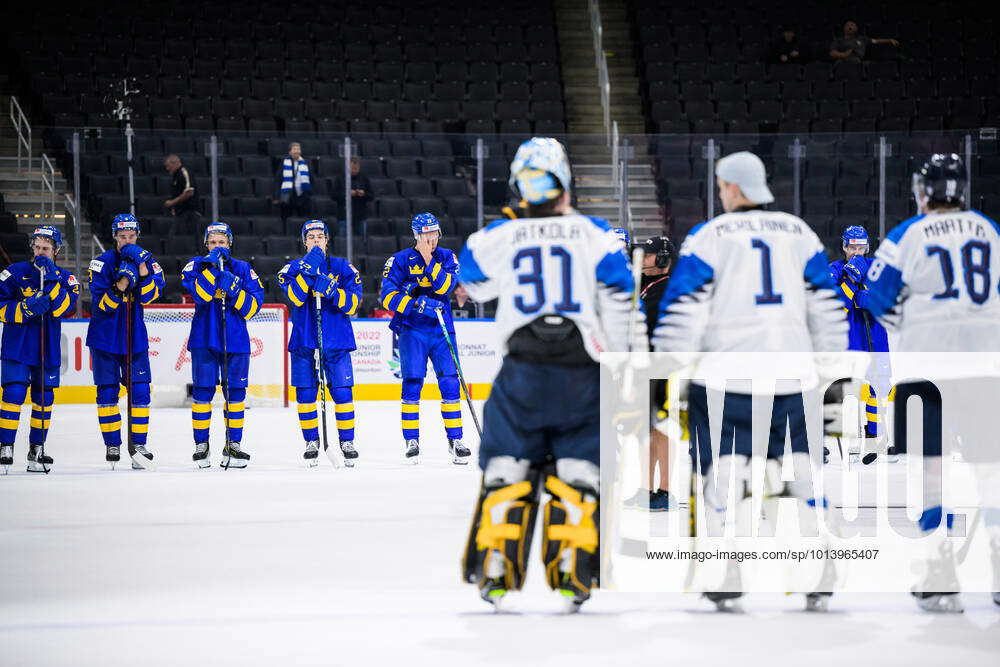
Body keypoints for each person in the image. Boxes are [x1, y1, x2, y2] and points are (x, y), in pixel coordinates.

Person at [652, 151, 848, 612]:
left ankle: (724, 570)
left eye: (722, 187)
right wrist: (833, 372)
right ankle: (816, 567)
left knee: (723, 477)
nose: (721, 194)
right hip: (793, 378)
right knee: (800, 471)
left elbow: (685, 309)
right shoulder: (799, 232)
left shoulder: (710, 236)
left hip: (724, 380)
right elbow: (826, 308)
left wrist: (665, 368)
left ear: (735, 189)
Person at [457, 137, 635, 611]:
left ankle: (495, 563)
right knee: (579, 469)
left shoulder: (500, 235)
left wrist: (513, 230)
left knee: (507, 466)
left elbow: (473, 282)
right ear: (565, 185)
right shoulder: (595, 233)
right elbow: (620, 299)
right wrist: (624, 365)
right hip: (583, 373)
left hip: (522, 372)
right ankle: (574, 567)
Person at [865, 154, 1000, 612]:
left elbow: (876, 298)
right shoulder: (988, 228)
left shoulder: (908, 234)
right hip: (986, 367)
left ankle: (940, 572)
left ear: (924, 192)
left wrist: (912, 323)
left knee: (930, 468)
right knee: (990, 469)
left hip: (926, 367)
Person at [379, 212, 469, 465]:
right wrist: (415, 304)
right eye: (426, 233)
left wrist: (429, 257)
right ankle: (411, 440)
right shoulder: (399, 260)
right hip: (412, 330)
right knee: (412, 383)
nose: (431, 238)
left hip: (442, 330)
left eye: (434, 233)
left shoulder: (447, 256)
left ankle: (456, 440)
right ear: (416, 235)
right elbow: (387, 296)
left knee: (450, 383)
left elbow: (444, 287)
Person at [277, 220, 363, 466]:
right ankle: (311, 441)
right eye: (311, 237)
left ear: (327, 240)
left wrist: (334, 293)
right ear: (304, 242)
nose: (316, 240)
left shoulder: (342, 267)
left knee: (342, 393)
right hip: (305, 339)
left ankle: (347, 441)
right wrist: (307, 274)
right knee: (305, 394)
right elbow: (294, 297)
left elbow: (354, 304)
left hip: (336, 340)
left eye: (320, 236)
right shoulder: (291, 268)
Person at [181, 222, 265, 469]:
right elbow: (200, 295)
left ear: (230, 243)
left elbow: (251, 308)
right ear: (206, 244)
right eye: (213, 243)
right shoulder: (195, 265)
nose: (218, 247)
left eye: (222, 242)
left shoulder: (243, 269)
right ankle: (201, 446)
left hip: (236, 340)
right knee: (202, 393)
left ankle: (233, 445)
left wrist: (234, 289)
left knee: (236, 395)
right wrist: (212, 272)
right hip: (204, 337)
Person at [86, 214, 166, 469]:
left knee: (141, 392)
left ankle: (139, 444)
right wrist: (121, 283)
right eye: (122, 237)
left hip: (135, 338)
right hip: (105, 337)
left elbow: (151, 296)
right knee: (107, 392)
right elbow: (103, 305)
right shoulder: (99, 263)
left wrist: (141, 272)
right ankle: (112, 443)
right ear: (114, 237)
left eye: (132, 237)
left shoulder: (148, 261)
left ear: (137, 236)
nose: (127, 241)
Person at [0, 226, 80, 473]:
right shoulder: (13, 273)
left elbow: (62, 307)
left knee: (44, 399)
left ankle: (37, 448)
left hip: (47, 348)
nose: (40, 252)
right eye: (37, 247)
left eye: (46, 248)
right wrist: (24, 309)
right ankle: (6, 446)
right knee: (13, 395)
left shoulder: (66, 279)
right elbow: (0, 306)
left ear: (56, 250)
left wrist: (52, 277)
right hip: (18, 345)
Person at [623, 236, 676, 511]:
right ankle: (646, 488)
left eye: (648, 255)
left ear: (663, 258)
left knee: (662, 429)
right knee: (646, 430)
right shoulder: (643, 285)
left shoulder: (668, 289)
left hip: (664, 367)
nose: (641, 259)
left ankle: (664, 490)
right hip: (645, 367)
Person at [828, 225, 890, 444]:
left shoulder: (877, 269)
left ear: (867, 247)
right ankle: (843, 436)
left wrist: (871, 300)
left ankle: (874, 435)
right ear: (844, 247)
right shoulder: (835, 270)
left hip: (875, 335)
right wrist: (851, 282)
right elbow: (836, 307)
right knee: (843, 385)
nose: (856, 253)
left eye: (861, 248)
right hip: (849, 337)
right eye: (852, 248)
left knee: (878, 385)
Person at [274, 142, 312, 223]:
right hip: (288, 194)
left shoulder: (306, 162)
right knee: (286, 218)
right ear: (290, 152)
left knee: (303, 219)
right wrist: (277, 196)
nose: (296, 151)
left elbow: (312, 178)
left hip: (301, 195)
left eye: (298, 149)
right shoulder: (284, 162)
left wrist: (308, 192)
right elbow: (278, 180)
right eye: (294, 149)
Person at [829, 20, 898, 64]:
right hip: (843, 62)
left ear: (856, 28)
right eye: (848, 25)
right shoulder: (838, 40)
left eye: (852, 25)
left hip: (857, 62)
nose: (850, 27)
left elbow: (876, 41)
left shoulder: (862, 39)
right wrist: (844, 54)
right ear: (844, 28)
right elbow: (832, 53)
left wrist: (889, 40)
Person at [163, 154, 201, 228]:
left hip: (190, 212)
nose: (167, 168)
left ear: (174, 163)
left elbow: (189, 192)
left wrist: (172, 202)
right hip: (180, 212)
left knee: (190, 237)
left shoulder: (184, 173)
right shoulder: (175, 175)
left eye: (168, 166)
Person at [338, 156, 371, 237]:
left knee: (362, 239)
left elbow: (371, 195)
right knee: (343, 240)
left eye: (356, 168)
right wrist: (346, 194)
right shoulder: (340, 178)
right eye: (353, 167)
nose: (354, 170)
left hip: (360, 215)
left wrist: (363, 194)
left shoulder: (364, 178)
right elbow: (334, 195)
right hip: (344, 214)